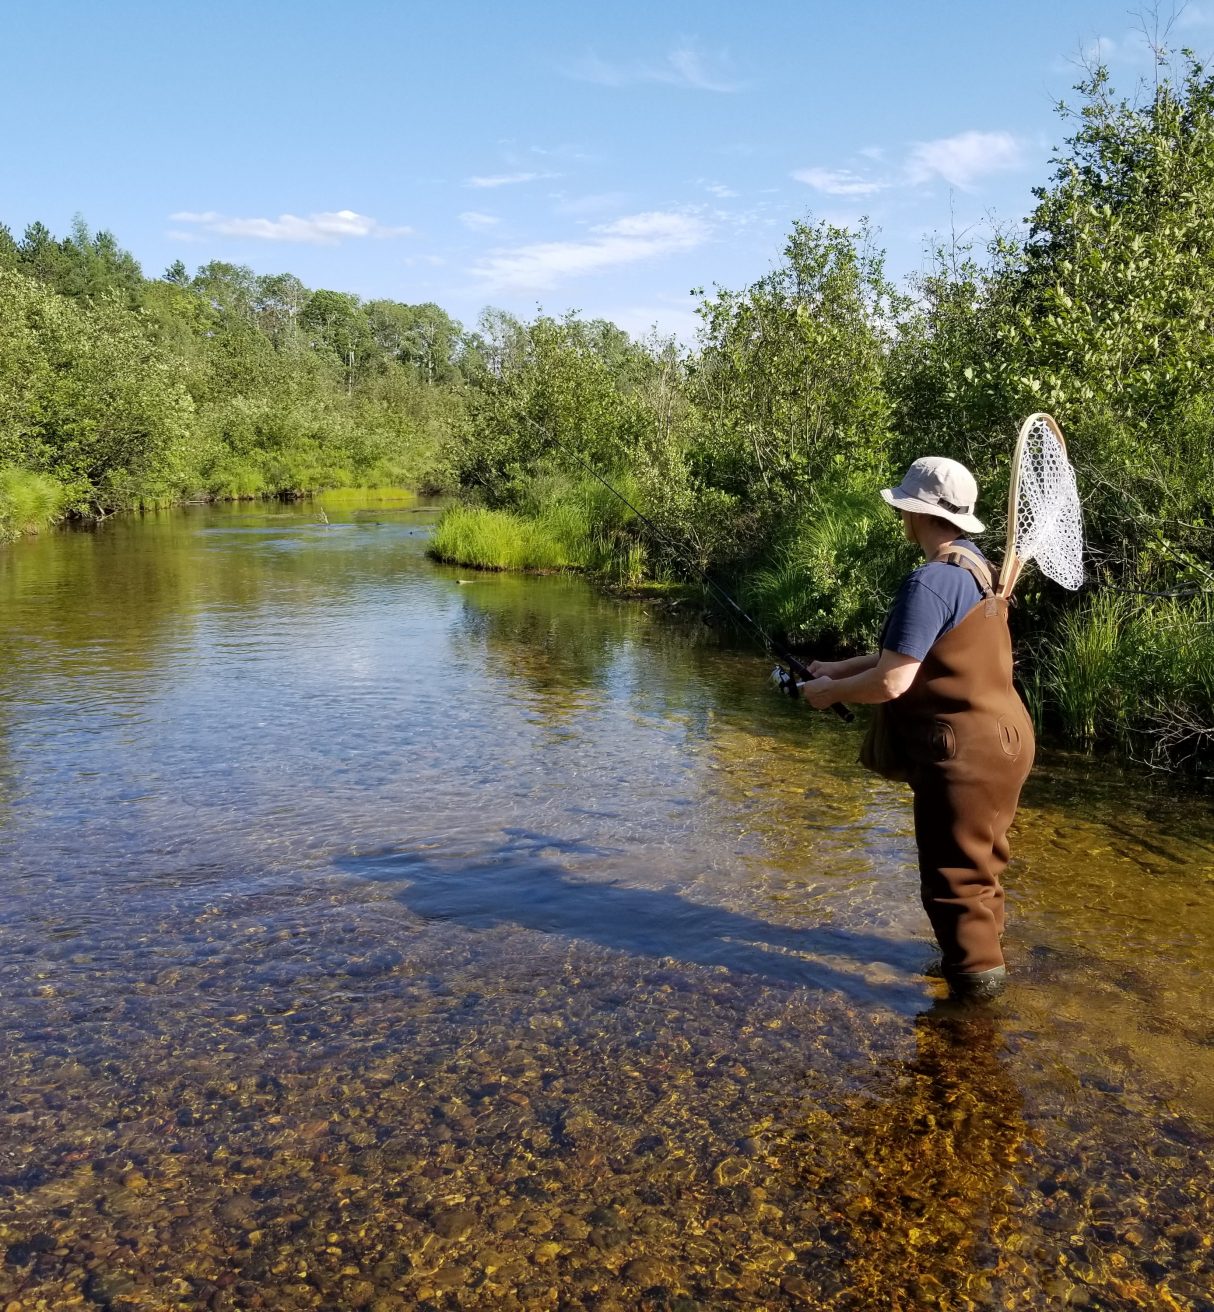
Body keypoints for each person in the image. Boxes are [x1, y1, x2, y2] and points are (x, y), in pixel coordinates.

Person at [800, 457, 1035, 1001]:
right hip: (1008, 740)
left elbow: (892, 681)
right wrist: (838, 668)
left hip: (965, 751)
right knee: (983, 868)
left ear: (917, 513)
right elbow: (916, 654)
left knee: (954, 880)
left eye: (904, 507)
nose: (901, 516)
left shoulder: (930, 581)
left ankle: (974, 1008)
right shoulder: (981, 570)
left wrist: (830, 693)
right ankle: (982, 964)